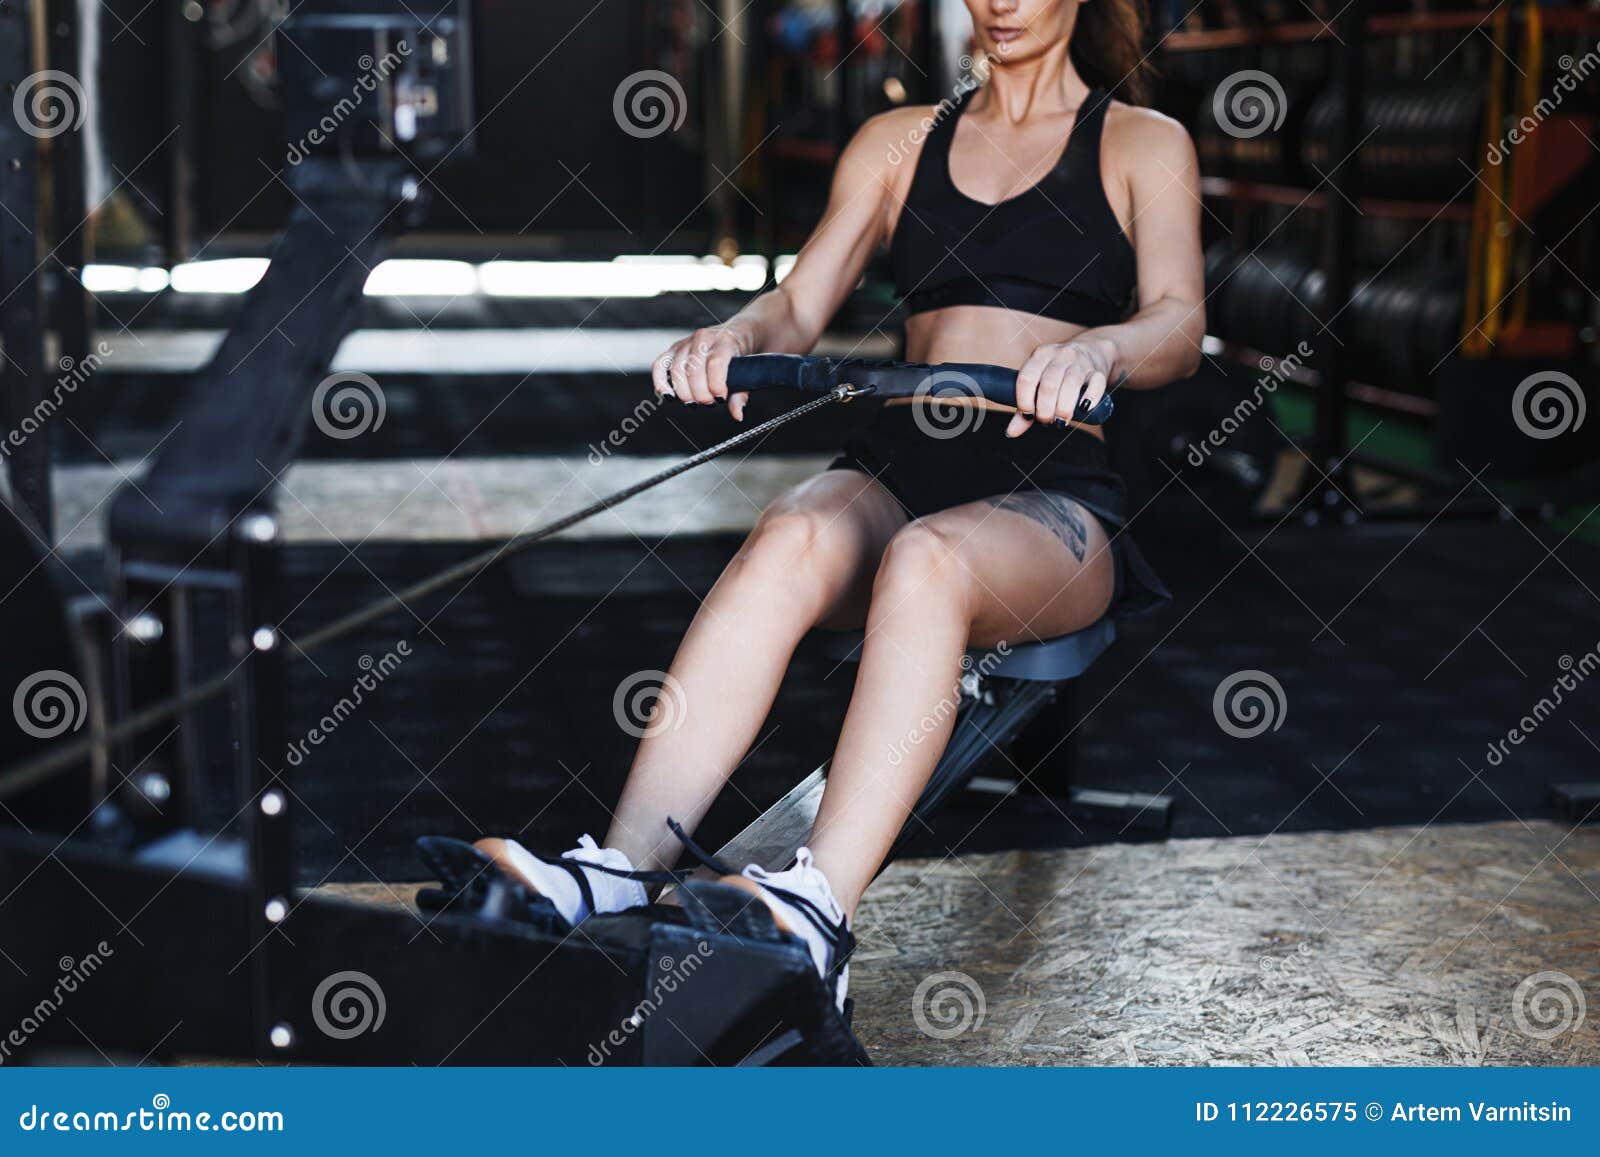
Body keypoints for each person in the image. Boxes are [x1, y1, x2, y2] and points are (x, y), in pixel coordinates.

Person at [475, 0, 1203, 1008]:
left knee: (931, 563)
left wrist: (1098, 347)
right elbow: (798, 304)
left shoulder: (1140, 142)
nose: (995, 5)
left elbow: (1177, 317)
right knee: (788, 533)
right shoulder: (897, 143)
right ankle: (618, 867)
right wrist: (734, 334)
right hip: (900, 459)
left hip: (1052, 496)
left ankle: (816, 914)